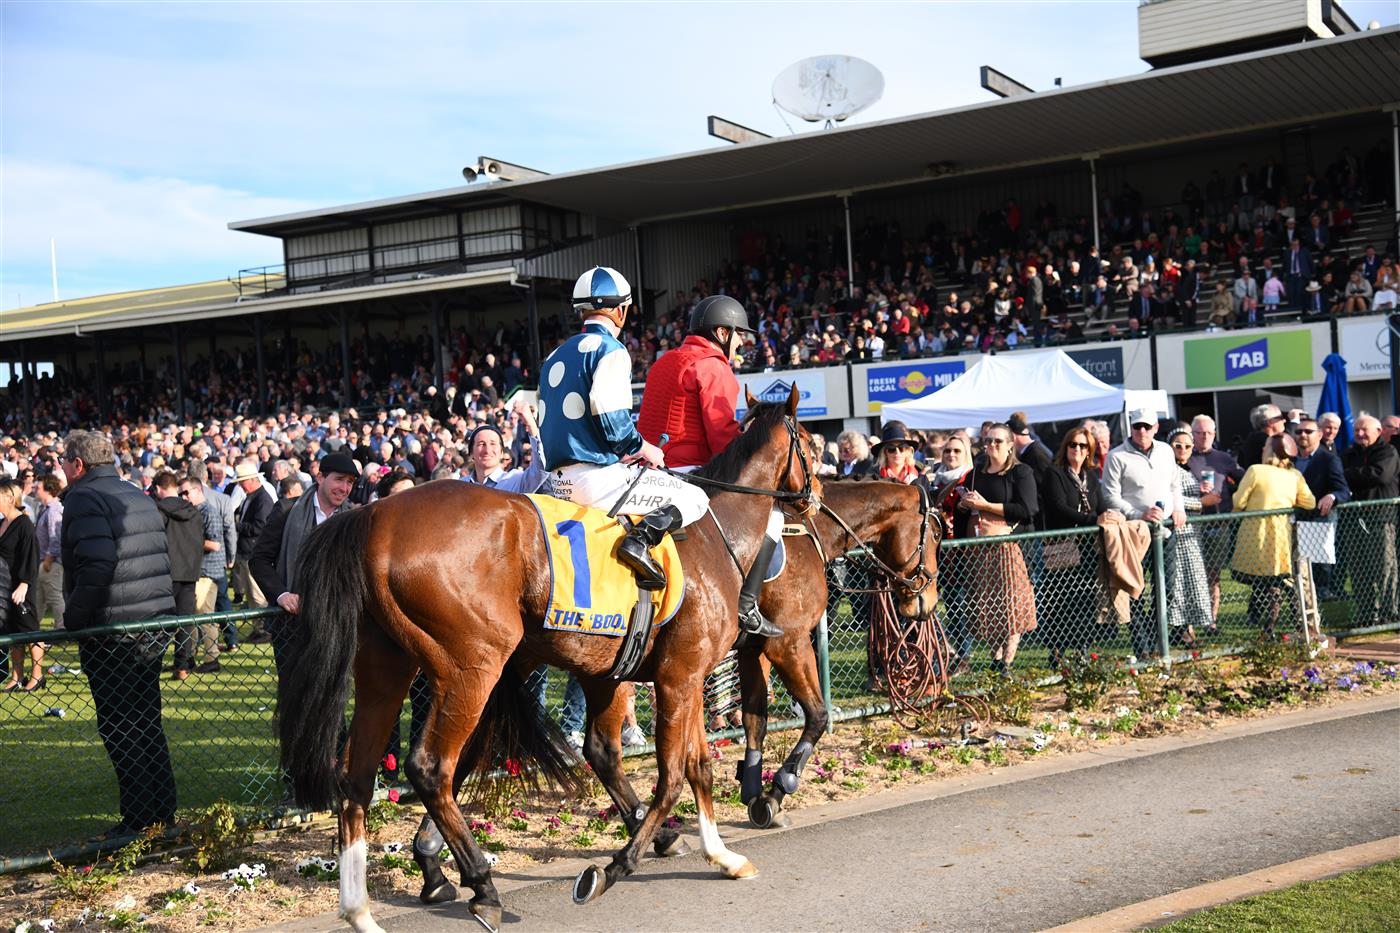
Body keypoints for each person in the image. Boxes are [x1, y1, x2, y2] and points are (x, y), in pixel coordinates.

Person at [635, 291, 781, 638]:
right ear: (722, 333)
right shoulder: (713, 366)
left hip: (645, 474)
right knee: (772, 519)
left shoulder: (663, 361)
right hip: (690, 475)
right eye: (739, 337)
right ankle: (746, 606)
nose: (741, 345)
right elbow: (721, 443)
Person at [59, 430, 177, 840]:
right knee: (145, 723)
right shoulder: (134, 493)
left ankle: (140, 820)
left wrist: (73, 618)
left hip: (116, 632)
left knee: (121, 726)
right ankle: (159, 814)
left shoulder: (83, 497)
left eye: (63, 462)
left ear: (77, 464)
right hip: (151, 623)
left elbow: (97, 565)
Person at [250, 451, 360, 685]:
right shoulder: (286, 510)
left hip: (336, 623)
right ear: (320, 477)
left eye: (350, 482)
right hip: (291, 626)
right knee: (296, 697)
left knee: (332, 699)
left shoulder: (353, 519)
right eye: (339, 479)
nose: (344, 487)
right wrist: (282, 595)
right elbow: (259, 560)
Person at [952, 422, 1038, 672]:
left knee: (1011, 608)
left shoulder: (1020, 473)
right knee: (987, 606)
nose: (991, 446)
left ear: (1010, 445)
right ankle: (996, 659)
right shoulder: (977, 471)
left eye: (997, 441)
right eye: (987, 441)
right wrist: (964, 505)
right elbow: (965, 508)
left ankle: (1007, 664)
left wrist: (987, 506)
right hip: (979, 549)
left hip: (1008, 548)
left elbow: (1028, 509)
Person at [1103, 408, 1186, 659]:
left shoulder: (1165, 451)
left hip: (1165, 531)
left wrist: (1179, 509)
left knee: (1167, 588)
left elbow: (1174, 484)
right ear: (1130, 427)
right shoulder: (1117, 456)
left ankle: (1160, 642)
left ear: (1156, 428)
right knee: (1135, 588)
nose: (1142, 431)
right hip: (1134, 533)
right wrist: (1139, 514)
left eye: (1147, 427)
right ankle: (1143, 647)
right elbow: (1110, 496)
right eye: (1137, 426)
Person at [1040, 426, 1113, 664]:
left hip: (1088, 547)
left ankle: (1082, 648)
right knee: (1060, 599)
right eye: (1073, 444)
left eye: (1083, 446)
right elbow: (1059, 508)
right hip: (1063, 545)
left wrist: (1109, 516)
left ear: (1090, 450)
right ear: (1066, 447)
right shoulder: (1055, 473)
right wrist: (1093, 520)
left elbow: (1099, 504)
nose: (1078, 450)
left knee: (1084, 598)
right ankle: (1057, 652)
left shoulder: (1090, 476)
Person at [1231, 434, 1315, 634]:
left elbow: (1239, 502)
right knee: (1281, 579)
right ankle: (1297, 624)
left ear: (1270, 450)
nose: (1262, 449)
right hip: (1282, 535)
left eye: (1266, 446)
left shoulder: (1255, 471)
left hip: (1257, 533)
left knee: (1267, 580)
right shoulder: (1294, 475)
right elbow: (1310, 502)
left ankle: (1266, 626)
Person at [1340, 415, 1399, 625]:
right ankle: (1366, 614)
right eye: (1356, 430)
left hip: (1381, 516)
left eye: (1364, 430)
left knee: (1384, 567)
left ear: (1378, 431)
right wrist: (1354, 475)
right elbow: (1339, 476)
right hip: (1354, 519)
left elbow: (1380, 475)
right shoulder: (1348, 453)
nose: (1360, 434)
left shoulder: (1387, 452)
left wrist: (1351, 475)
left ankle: (1387, 613)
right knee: (1358, 570)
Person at [1187, 414, 1245, 625]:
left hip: (1218, 524)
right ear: (1192, 434)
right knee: (1192, 575)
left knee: (1213, 575)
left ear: (1214, 434)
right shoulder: (1184, 457)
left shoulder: (1224, 458)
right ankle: (1190, 622)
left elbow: (1246, 480)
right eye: (1199, 433)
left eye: (1208, 433)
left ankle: (1212, 620)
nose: (1204, 437)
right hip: (1191, 524)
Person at [151, 471, 205, 680]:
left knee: (159, 622)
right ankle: (181, 666)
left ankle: (154, 663)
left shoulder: (158, 510)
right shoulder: (194, 511)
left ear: (158, 489)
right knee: (185, 622)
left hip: (167, 572)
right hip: (189, 572)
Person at [1166, 426, 1216, 647]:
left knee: (1192, 580)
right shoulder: (1167, 470)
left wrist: (1202, 491)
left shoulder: (1186, 470)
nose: (1183, 449)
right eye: (1178, 445)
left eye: (1187, 446)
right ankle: (1180, 630)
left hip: (1192, 533)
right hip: (1177, 532)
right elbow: (1167, 499)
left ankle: (1186, 628)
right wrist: (1201, 503)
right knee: (1178, 581)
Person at [929, 434, 975, 674]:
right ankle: (945, 652)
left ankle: (963, 656)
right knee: (933, 605)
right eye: (948, 451)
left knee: (958, 605)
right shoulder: (935, 478)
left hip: (958, 551)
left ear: (965, 454)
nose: (952, 455)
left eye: (957, 451)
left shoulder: (969, 478)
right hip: (937, 552)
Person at [1292, 417, 1350, 600]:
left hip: (1319, 517)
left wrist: (1331, 496)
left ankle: (1322, 592)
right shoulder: (1287, 460)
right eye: (1299, 431)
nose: (1303, 435)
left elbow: (1343, 490)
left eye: (1308, 431)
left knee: (1319, 560)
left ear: (1319, 435)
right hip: (1293, 517)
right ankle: (1301, 594)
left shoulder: (1329, 459)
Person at [179, 477, 228, 673]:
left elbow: (215, 544)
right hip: (196, 571)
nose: (183, 496)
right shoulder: (193, 512)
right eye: (181, 493)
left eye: (186, 492)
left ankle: (212, 658)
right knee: (192, 615)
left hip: (208, 572)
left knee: (205, 615)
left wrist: (186, 541)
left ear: (198, 491)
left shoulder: (209, 512)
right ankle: (189, 657)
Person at [0, 477, 42, 692]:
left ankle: (37, 675)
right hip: (5, 587)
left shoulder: (23, 523)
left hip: (22, 587)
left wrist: (24, 584)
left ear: (8, 497)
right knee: (14, 633)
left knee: (30, 630)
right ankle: (17, 676)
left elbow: (31, 556)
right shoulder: (2, 523)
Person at [460, 400, 545, 492]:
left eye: (493, 444)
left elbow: (540, 469)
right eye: (481, 444)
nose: (487, 450)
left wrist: (531, 424)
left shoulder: (515, 480)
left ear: (501, 453)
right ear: (471, 453)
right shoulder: (459, 486)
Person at [33, 474, 64, 632]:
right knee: (39, 598)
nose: (35, 490)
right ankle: (33, 628)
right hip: (43, 561)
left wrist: (48, 560)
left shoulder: (53, 510)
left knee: (54, 596)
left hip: (50, 563)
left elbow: (56, 537)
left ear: (48, 489)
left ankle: (61, 628)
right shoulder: (46, 509)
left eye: (38, 488)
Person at [871, 422, 927, 488]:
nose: (897, 452)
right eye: (891, 449)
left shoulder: (920, 471)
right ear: (885, 453)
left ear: (907, 451)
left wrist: (921, 480)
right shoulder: (874, 476)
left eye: (901, 448)